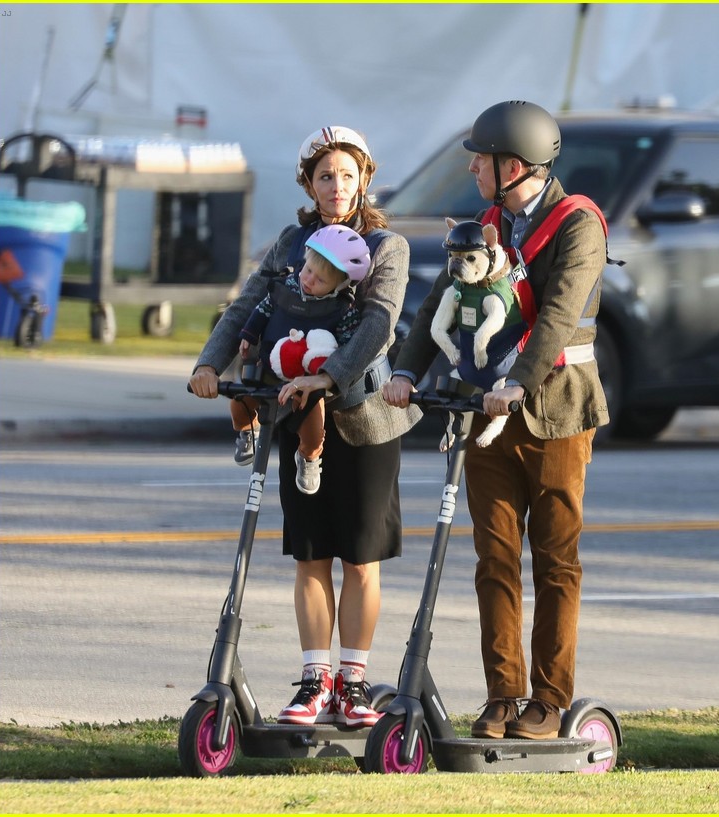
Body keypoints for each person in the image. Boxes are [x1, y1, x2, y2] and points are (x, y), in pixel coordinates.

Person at [383, 100, 608, 740]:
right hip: (486, 409)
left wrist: (517, 381)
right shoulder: (485, 222)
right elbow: (438, 302)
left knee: (555, 561)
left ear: (513, 166)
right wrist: (407, 371)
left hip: (557, 408)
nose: (474, 169)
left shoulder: (577, 225)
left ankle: (550, 699)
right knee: (494, 557)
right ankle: (503, 695)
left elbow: (561, 315)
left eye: (481, 160)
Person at [189, 126, 421, 728]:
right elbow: (244, 307)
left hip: (368, 421)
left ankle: (354, 687)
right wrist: (210, 363)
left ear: (364, 179)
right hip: (298, 421)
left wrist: (329, 377)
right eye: (325, 176)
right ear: (309, 184)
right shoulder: (290, 243)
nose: (336, 185)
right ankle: (315, 683)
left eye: (347, 175)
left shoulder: (387, 246)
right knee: (311, 555)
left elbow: (380, 322)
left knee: (361, 558)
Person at [229, 224, 371, 495]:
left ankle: (309, 457)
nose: (308, 280)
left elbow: (347, 346)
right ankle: (247, 429)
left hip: (305, 381)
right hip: (269, 365)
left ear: (340, 284)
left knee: (313, 428)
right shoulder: (287, 288)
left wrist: (326, 374)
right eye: (307, 270)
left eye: (320, 280)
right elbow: (262, 309)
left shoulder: (342, 310)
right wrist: (248, 334)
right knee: (240, 399)